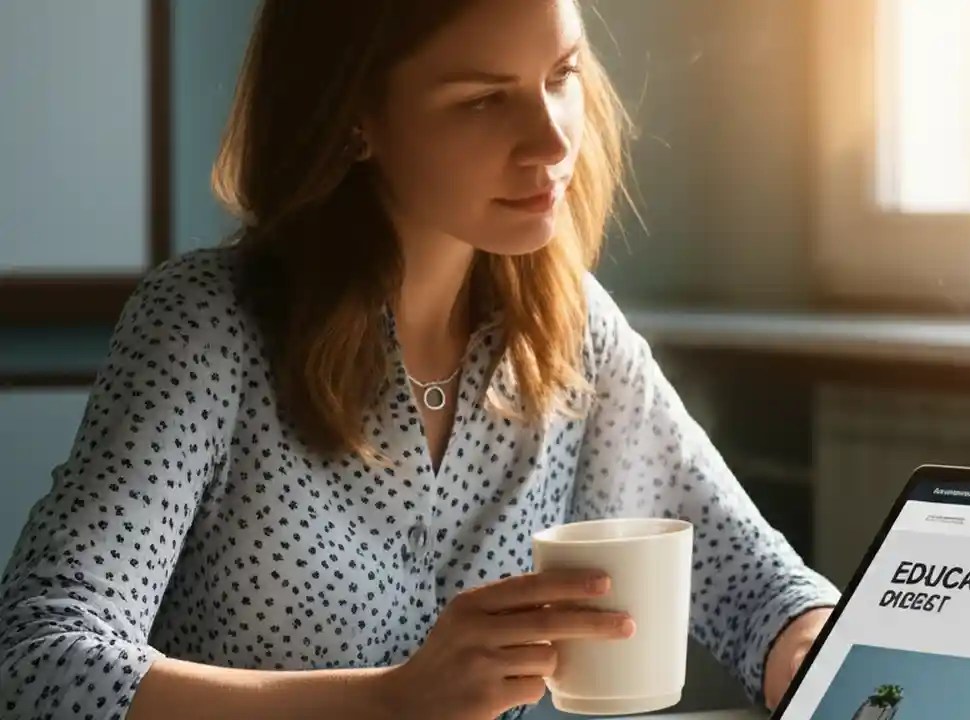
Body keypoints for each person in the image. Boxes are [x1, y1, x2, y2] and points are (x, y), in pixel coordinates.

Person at [0, 1, 839, 718]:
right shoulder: (209, 329)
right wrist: (389, 701)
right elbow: (38, 665)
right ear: (355, 116)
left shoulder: (572, 328)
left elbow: (761, 592)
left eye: (562, 75)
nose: (550, 141)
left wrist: (824, 650)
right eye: (482, 100)